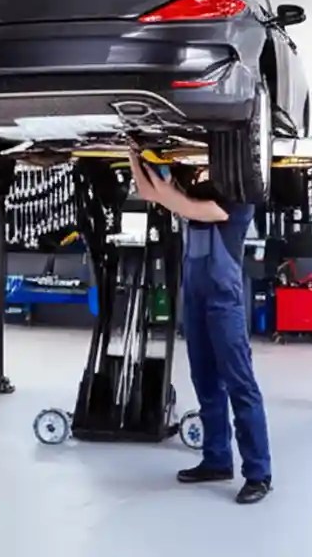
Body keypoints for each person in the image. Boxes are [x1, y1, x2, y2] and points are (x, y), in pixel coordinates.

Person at [127, 151, 272, 505]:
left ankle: (258, 473)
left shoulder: (239, 199)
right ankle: (217, 459)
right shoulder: (197, 190)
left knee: (240, 385)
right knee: (205, 382)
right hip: (194, 298)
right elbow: (151, 193)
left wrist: (164, 188)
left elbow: (184, 205)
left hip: (225, 303)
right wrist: (133, 154)